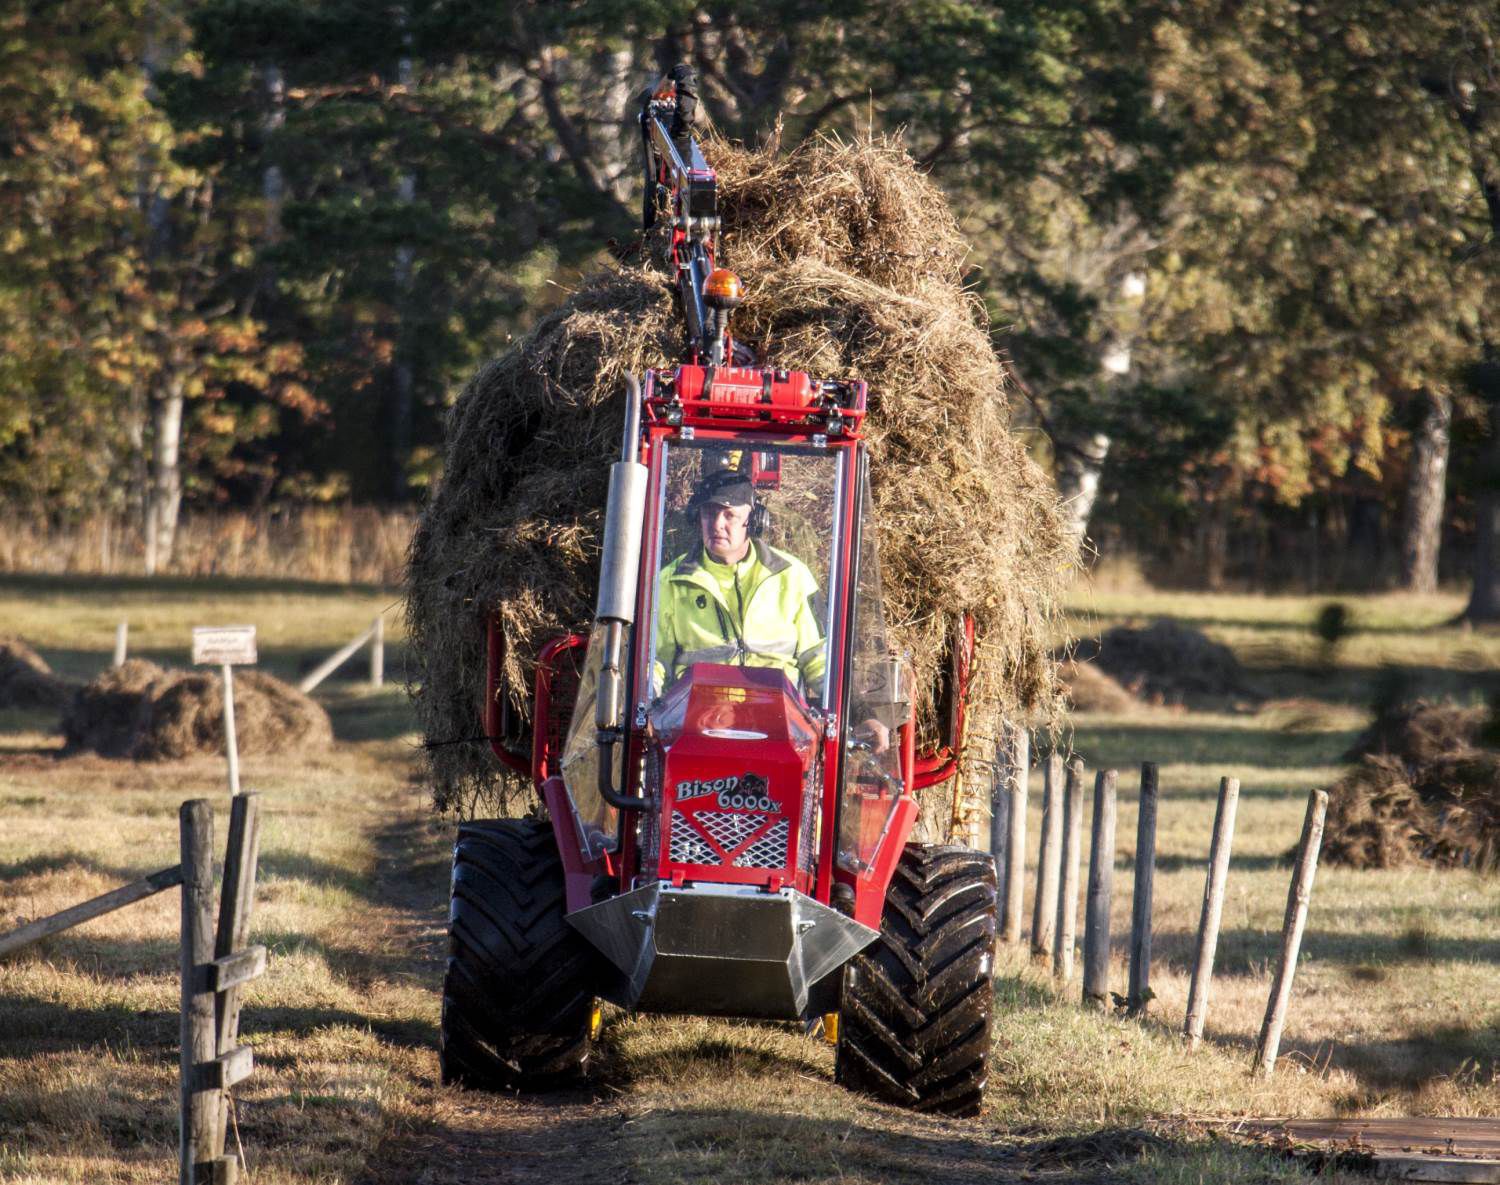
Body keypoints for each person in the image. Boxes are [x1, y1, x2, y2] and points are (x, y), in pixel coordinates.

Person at [654, 468, 889, 751]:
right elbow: (654, 663)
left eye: (729, 514)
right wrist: (641, 712)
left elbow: (821, 659)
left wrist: (861, 715)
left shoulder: (792, 577)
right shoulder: (670, 581)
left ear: (753, 521)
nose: (717, 524)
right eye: (709, 513)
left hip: (782, 732)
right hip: (697, 730)